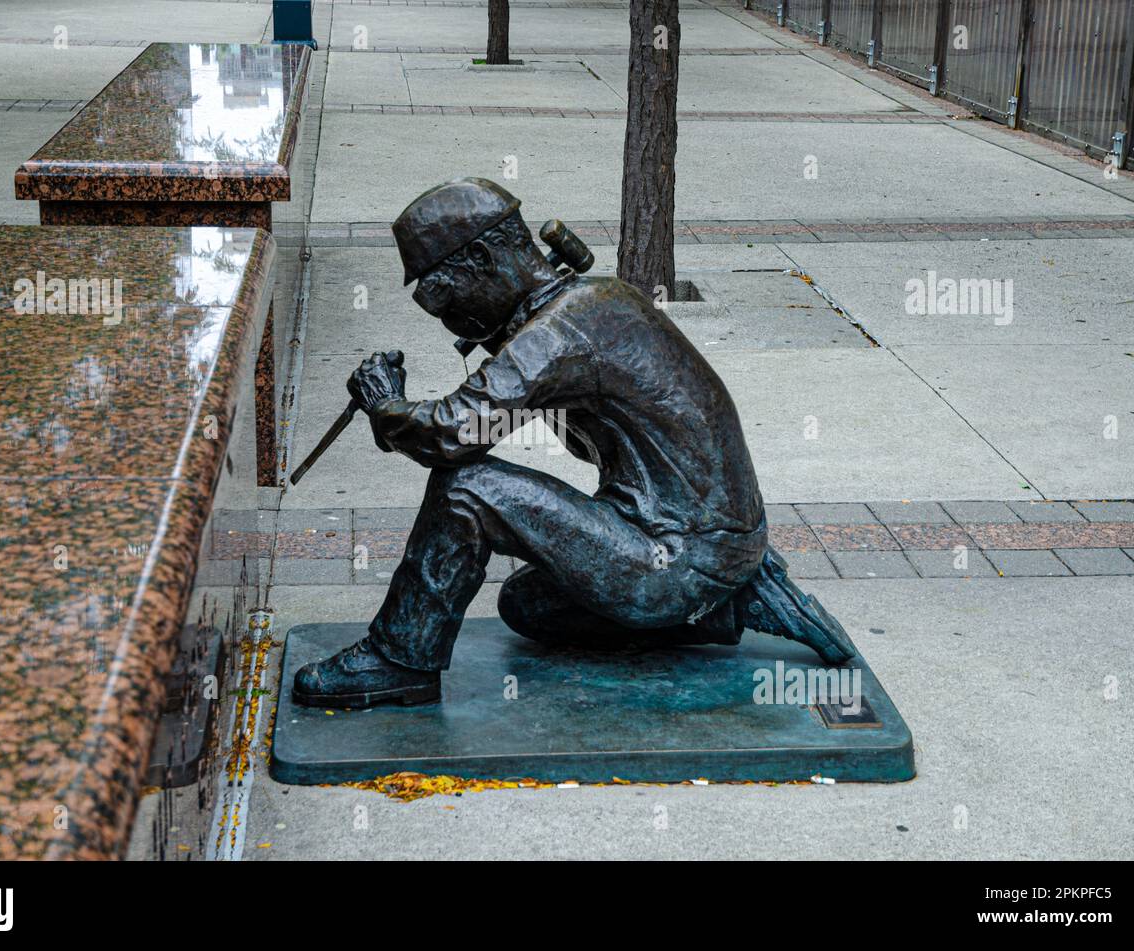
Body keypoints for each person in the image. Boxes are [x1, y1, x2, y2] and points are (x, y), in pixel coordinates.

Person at [292, 178, 854, 709]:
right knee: (527, 606)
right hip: (701, 541)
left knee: (466, 491)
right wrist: (408, 414)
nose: (445, 320)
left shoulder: (562, 331)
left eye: (441, 297)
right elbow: (508, 429)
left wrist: (388, 404)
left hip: (679, 549)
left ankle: (400, 660)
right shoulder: (595, 301)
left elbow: (455, 436)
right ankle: (725, 605)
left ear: (485, 261)